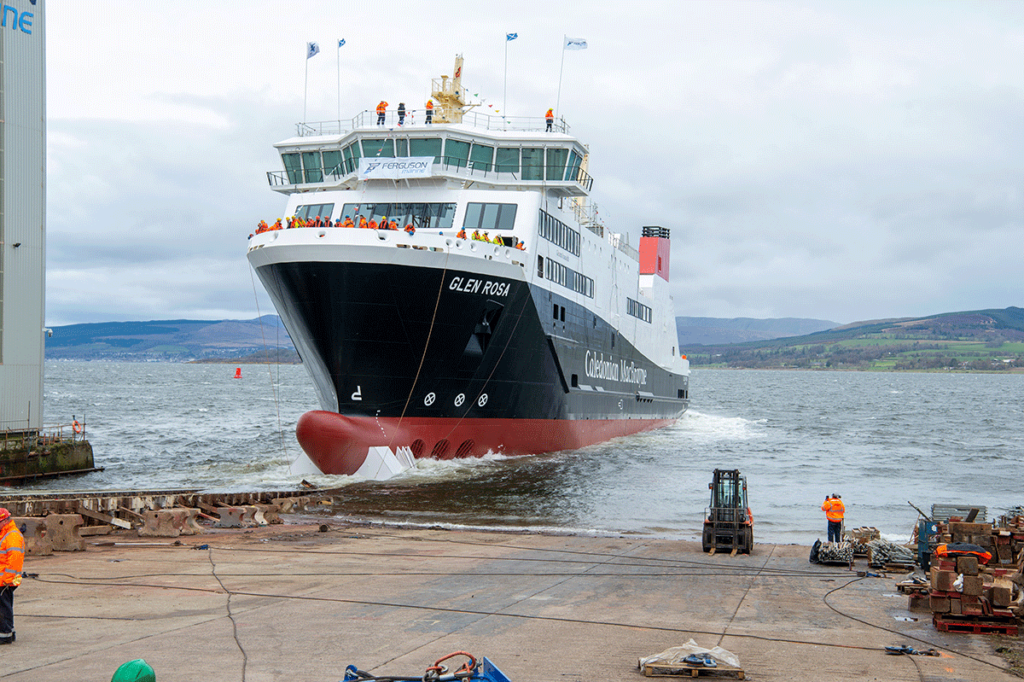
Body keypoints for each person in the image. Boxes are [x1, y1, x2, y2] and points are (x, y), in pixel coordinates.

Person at [1, 508, 25, 645]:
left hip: (6, 579)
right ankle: (8, 630)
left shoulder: (12, 536)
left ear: (4, 521)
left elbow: (14, 560)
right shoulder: (5, 534)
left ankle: (5, 635)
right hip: (5, 578)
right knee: (5, 605)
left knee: (3, 607)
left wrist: (6, 580)